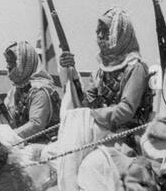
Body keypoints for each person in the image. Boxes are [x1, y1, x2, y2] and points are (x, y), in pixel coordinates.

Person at [56, 7, 154, 136]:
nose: (100, 35)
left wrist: (89, 115)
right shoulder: (101, 72)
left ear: (120, 34)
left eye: (106, 31)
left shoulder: (136, 68)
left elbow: (126, 111)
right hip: (102, 132)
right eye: (99, 31)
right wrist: (72, 74)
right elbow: (87, 105)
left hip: (129, 138)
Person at [0, 40, 61, 145]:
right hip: (21, 144)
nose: (8, 67)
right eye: (7, 62)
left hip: (44, 147)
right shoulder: (14, 90)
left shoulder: (39, 90)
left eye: (11, 62)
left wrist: (8, 138)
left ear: (23, 63)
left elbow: (36, 125)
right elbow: (5, 120)